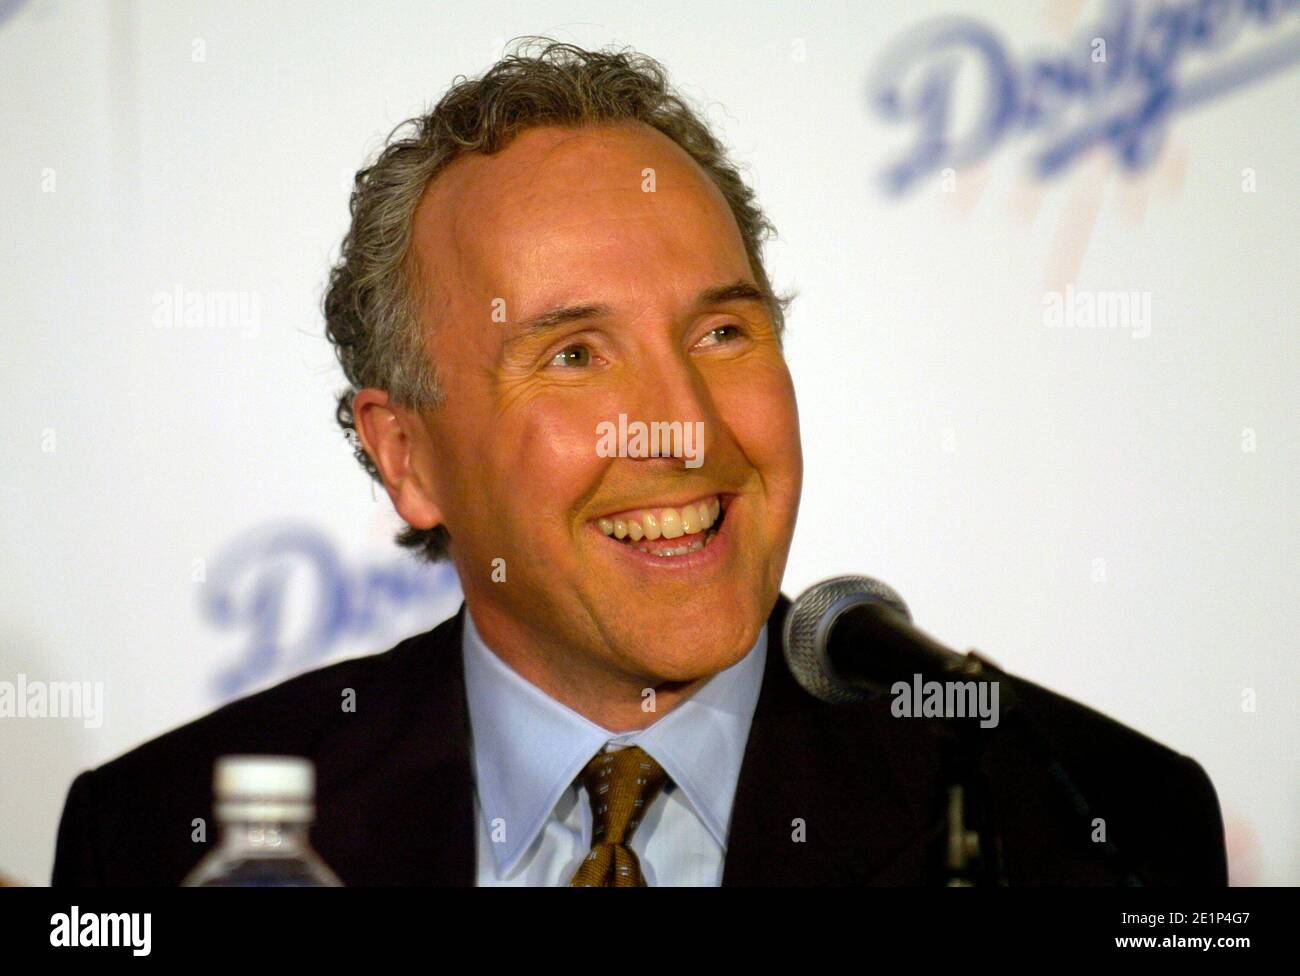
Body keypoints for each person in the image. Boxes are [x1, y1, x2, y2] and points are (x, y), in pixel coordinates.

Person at [52, 38, 1227, 887]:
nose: (681, 428)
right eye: (573, 354)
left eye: (722, 332)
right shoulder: (161, 840)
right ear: (406, 455)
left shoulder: (1086, 818)